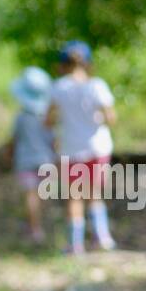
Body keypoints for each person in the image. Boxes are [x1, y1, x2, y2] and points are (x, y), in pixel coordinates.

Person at [46, 40, 116, 254]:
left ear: (63, 64)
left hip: (71, 149)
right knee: (94, 193)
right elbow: (110, 118)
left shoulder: (58, 88)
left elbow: (48, 120)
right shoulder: (97, 86)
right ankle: (102, 238)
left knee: (74, 197)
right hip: (97, 147)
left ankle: (75, 244)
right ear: (87, 63)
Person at [7, 66, 56, 244]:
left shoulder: (21, 118)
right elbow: (54, 140)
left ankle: (34, 228)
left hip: (26, 161)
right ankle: (38, 225)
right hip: (46, 161)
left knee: (30, 195)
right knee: (42, 195)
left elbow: (14, 139)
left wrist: (8, 155)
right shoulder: (47, 118)